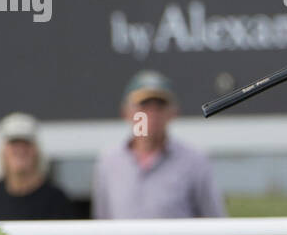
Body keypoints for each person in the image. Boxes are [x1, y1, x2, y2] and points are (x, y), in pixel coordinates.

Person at [92, 71, 225, 218]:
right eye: (144, 106)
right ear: (126, 112)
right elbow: (103, 221)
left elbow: (213, 220)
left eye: (160, 107)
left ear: (173, 112)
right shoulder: (108, 163)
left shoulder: (194, 161)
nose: (152, 114)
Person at [0, 112, 75, 220]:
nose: (20, 150)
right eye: (14, 144)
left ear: (36, 151)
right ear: (2, 151)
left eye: (26, 144)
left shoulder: (56, 200)